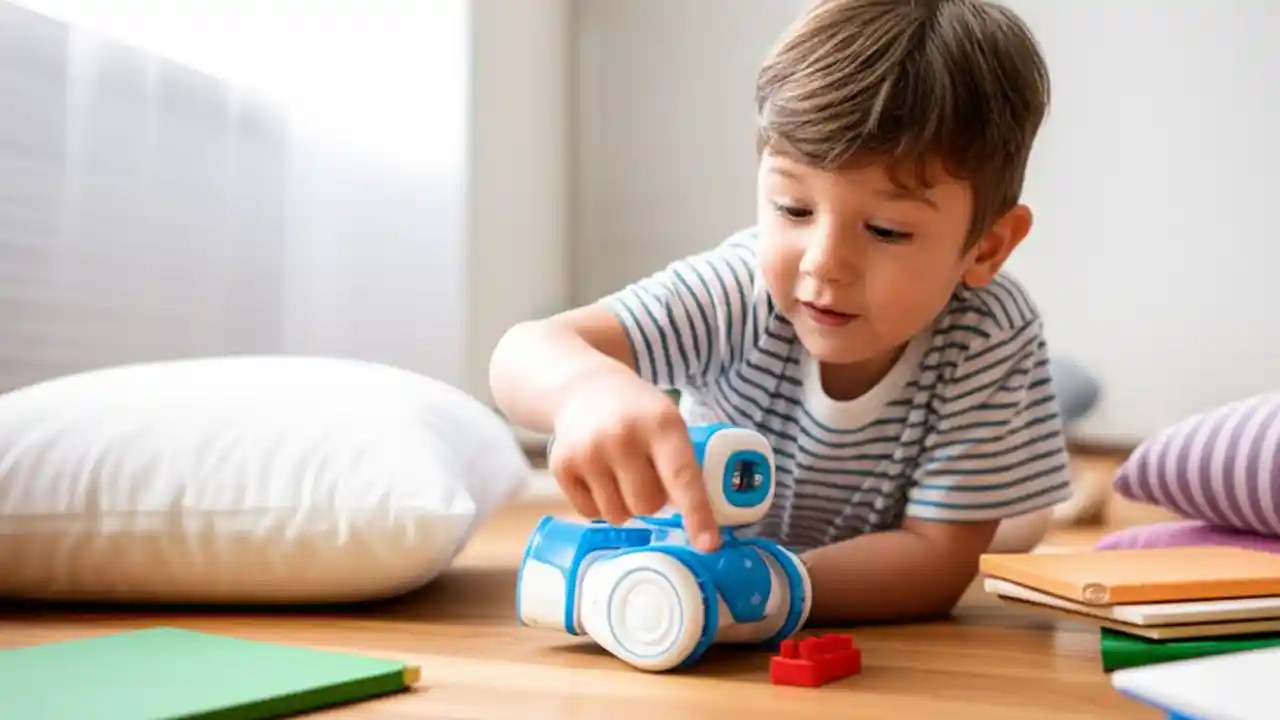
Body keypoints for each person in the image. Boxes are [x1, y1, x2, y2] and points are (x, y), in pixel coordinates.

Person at [489, 0, 1072, 624]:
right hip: (719, 543)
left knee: (1013, 530)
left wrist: (758, 593)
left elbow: (936, 564)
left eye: (885, 230)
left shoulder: (989, 330)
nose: (825, 264)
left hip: (861, 546)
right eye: (794, 209)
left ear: (986, 247)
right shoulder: (738, 291)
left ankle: (1029, 493)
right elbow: (526, 350)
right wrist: (585, 391)